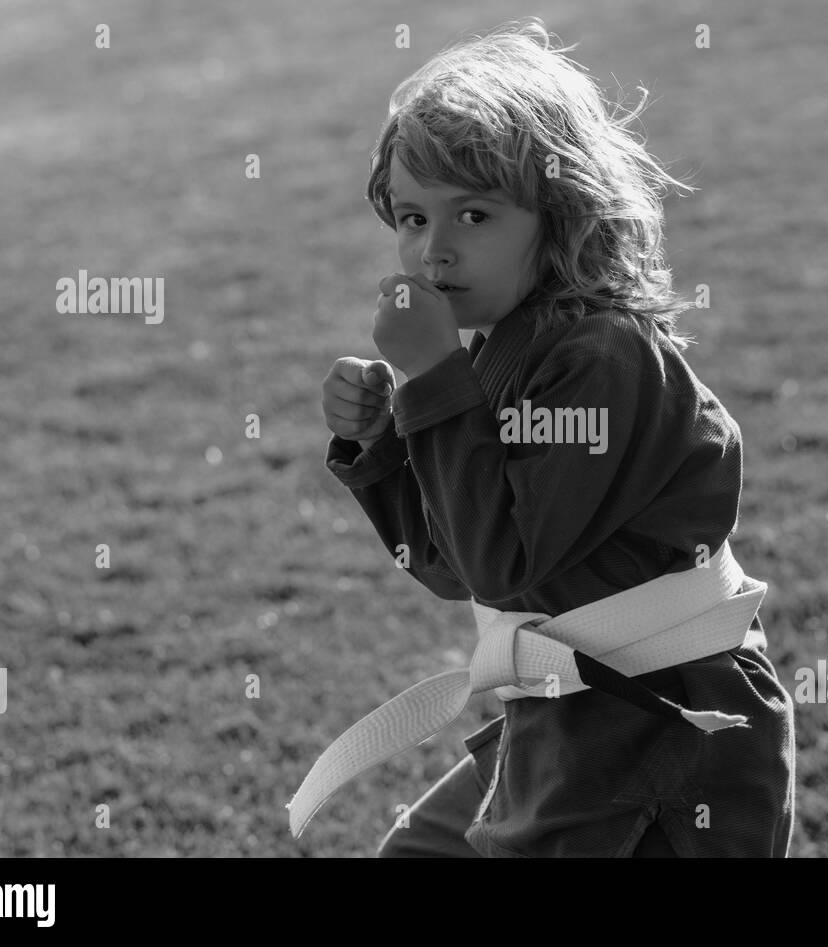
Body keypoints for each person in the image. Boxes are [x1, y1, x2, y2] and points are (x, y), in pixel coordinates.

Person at [319, 18, 794, 857]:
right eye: (412, 218)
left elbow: (505, 557)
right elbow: (455, 564)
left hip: (661, 730)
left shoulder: (599, 357)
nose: (435, 250)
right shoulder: (502, 351)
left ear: (563, 212)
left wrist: (432, 384)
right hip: (570, 717)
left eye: (474, 214)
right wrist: (387, 446)